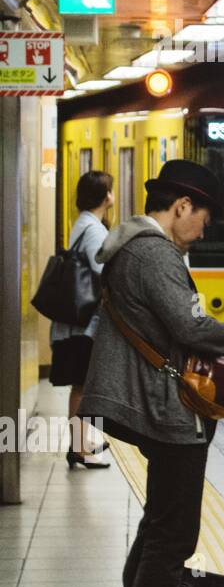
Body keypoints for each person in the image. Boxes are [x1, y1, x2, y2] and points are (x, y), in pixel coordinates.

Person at [78, 159, 224, 587]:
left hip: (151, 401)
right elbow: (191, 324)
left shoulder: (134, 247)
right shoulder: (153, 253)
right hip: (165, 409)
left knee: (159, 526)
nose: (202, 231)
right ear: (181, 207)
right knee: (172, 534)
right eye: (202, 219)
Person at [49, 170, 114, 468]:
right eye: (110, 190)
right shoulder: (94, 230)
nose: (113, 195)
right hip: (85, 324)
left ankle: (82, 442)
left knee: (84, 385)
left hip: (76, 323)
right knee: (84, 386)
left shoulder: (83, 224)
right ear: (104, 197)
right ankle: (78, 447)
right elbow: (102, 271)